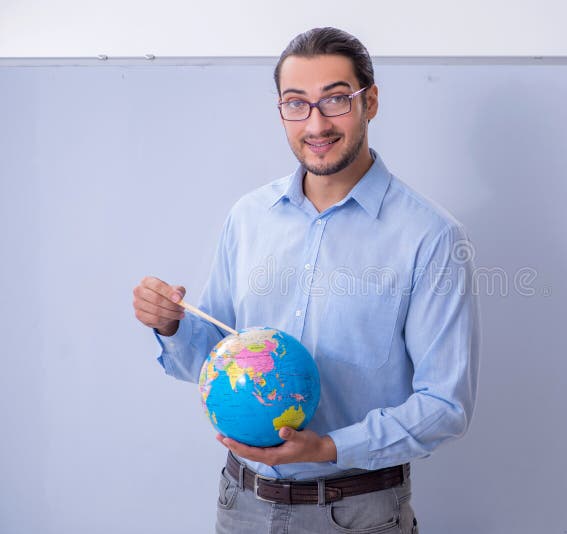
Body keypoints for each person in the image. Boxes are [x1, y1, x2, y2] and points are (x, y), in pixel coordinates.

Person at [132, 27, 480, 534]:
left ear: (370, 102)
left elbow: (446, 405)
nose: (316, 124)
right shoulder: (249, 217)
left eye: (336, 99)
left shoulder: (431, 236)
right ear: (281, 111)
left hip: (358, 514)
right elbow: (216, 357)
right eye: (296, 104)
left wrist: (330, 447)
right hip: (241, 505)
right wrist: (171, 325)